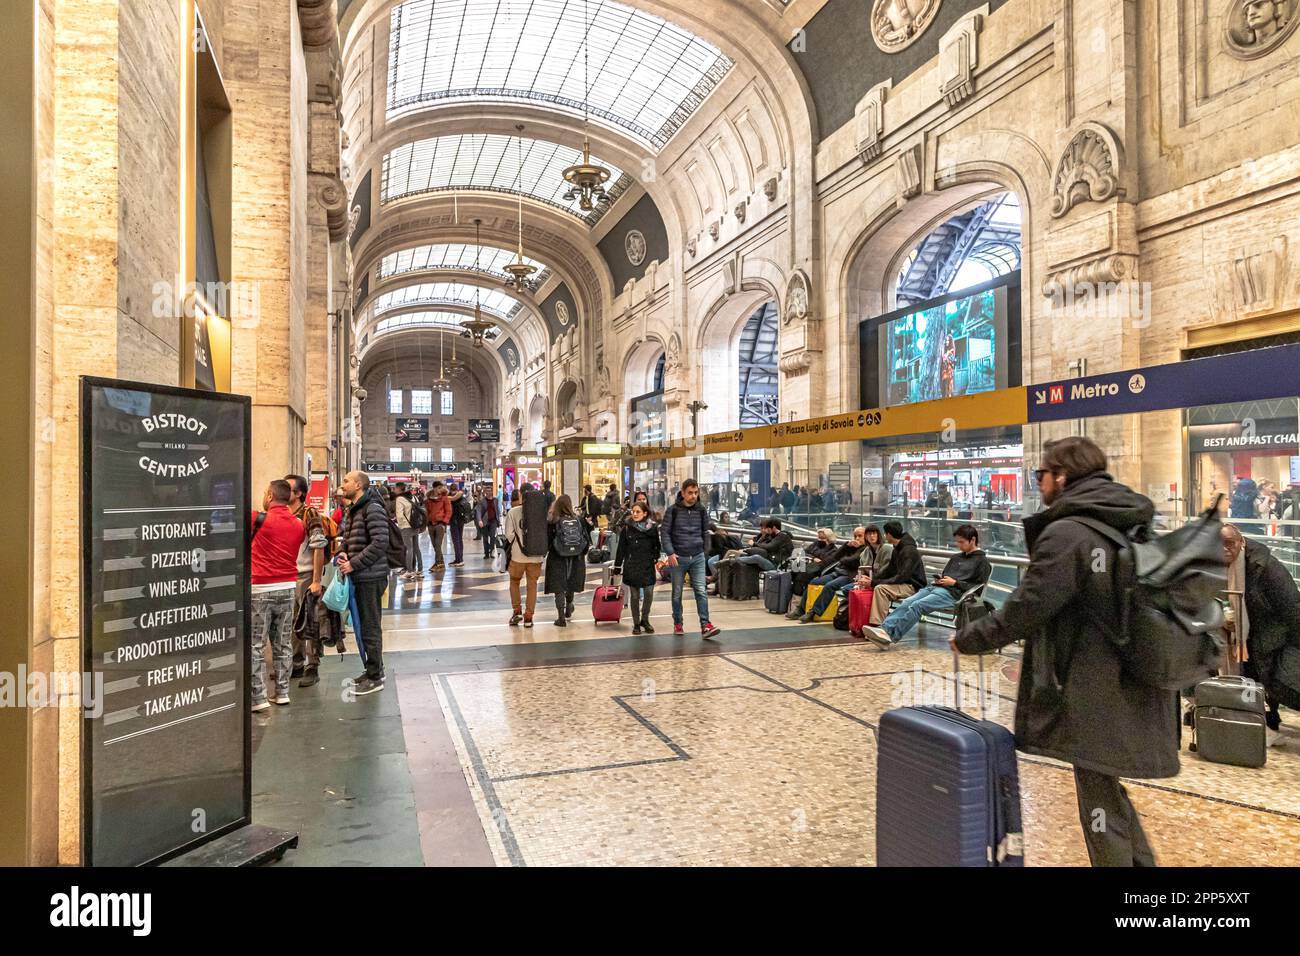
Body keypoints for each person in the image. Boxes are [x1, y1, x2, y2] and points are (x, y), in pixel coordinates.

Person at [954, 436, 1173, 866]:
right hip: (1133, 678)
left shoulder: (1071, 530)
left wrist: (971, 637)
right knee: (1104, 792)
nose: (1038, 484)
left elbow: (1030, 604)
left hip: (1094, 685)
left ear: (1063, 476)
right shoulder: (1130, 520)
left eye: (1041, 475)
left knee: (1099, 803)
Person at [1222, 523, 1299, 745]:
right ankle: (1260, 722)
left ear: (1241, 543)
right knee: (1254, 678)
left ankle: (1269, 720)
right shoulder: (1215, 564)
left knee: (1280, 681)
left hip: (1273, 633)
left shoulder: (1266, 567)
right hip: (1245, 633)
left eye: (1230, 544)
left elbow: (1292, 606)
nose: (1225, 549)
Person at [863, 524, 991, 647]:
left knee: (917, 606)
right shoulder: (956, 557)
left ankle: (890, 636)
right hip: (937, 588)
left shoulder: (982, 562)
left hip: (954, 594)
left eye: (961, 542)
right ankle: (884, 629)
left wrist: (955, 583)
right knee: (907, 602)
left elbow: (976, 589)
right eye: (957, 542)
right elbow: (947, 574)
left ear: (973, 540)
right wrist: (941, 580)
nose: (958, 545)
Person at [249, 479, 305, 711]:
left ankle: (259, 697)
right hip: (288, 588)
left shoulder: (258, 519)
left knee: (255, 645)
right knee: (283, 644)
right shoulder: (299, 524)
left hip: (260, 589)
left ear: (270, 496)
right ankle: (282, 692)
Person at [337, 470, 390, 696]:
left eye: (346, 481)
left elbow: (380, 542)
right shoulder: (354, 509)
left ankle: (375, 676)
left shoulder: (372, 508)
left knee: (370, 626)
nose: (343, 484)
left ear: (358, 485)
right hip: (361, 574)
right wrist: (343, 553)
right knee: (364, 626)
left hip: (371, 576)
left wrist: (354, 563)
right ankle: (372, 668)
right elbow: (349, 539)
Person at [660, 478, 721, 639]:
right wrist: (670, 553)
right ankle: (678, 622)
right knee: (677, 593)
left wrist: (704, 551)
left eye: (695, 493)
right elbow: (664, 533)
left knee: (701, 591)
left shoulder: (701, 510)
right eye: (690, 493)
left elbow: (705, 532)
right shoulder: (672, 511)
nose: (693, 496)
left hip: (698, 557)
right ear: (683, 493)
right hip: (678, 558)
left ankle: (705, 624)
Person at [285, 474, 329, 688]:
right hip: (286, 575)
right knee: (293, 622)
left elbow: (319, 545)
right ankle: (296, 662)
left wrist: (316, 580)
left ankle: (313, 665)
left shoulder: (308, 513)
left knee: (310, 622)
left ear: (299, 493)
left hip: (305, 575)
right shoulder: (281, 513)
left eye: (288, 489)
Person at [799, 526, 868, 622]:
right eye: (855, 536)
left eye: (860, 536)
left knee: (829, 586)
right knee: (814, 581)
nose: (857, 538)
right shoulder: (851, 546)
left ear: (866, 536)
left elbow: (853, 560)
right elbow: (837, 556)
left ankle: (813, 613)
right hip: (838, 572)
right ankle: (801, 609)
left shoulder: (866, 549)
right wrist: (846, 545)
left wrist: (843, 560)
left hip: (850, 576)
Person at [614, 501, 662, 635]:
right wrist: (618, 566)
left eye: (638, 512)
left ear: (645, 513)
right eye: (633, 511)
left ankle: (645, 619)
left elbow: (657, 545)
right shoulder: (627, 528)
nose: (634, 514)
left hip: (647, 565)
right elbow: (621, 548)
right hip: (632, 564)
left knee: (649, 593)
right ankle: (636, 623)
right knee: (634, 596)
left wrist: (655, 556)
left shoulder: (652, 528)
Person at [868, 520, 926, 625]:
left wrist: (876, 583)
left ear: (889, 534)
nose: (885, 536)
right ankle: (877, 622)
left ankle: (877, 624)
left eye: (885, 534)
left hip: (912, 586)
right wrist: (873, 580)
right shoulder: (898, 548)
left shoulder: (908, 550)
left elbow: (902, 576)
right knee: (877, 586)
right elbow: (890, 570)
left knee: (880, 589)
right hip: (903, 583)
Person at [544, 494, 589, 627]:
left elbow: (548, 540)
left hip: (557, 557)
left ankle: (561, 617)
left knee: (559, 586)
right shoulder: (579, 520)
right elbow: (586, 540)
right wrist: (581, 553)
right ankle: (569, 606)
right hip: (576, 557)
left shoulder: (553, 521)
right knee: (571, 582)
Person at [503, 489, 542, 627]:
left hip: (518, 556)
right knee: (532, 586)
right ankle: (529, 617)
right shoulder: (540, 512)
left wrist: (518, 544)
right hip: (536, 557)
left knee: (514, 582)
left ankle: (517, 611)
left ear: (522, 497)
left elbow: (509, 534)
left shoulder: (513, 512)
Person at [785, 527, 839, 618]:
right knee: (795, 572)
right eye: (819, 537)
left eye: (822, 538)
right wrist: (813, 558)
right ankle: (794, 604)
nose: (819, 540)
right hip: (810, 565)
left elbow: (826, 562)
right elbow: (804, 552)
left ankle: (797, 606)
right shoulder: (815, 544)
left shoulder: (834, 550)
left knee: (802, 576)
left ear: (829, 539)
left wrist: (815, 559)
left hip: (821, 569)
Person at [728, 517, 794, 573]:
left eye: (768, 529)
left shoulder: (782, 536)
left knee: (756, 558)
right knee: (752, 557)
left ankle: (733, 560)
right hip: (771, 561)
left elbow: (769, 547)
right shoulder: (775, 537)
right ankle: (731, 561)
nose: (768, 532)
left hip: (777, 566)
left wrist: (754, 544)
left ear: (773, 528)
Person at [393, 482, 421, 580]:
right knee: (415, 547)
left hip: (406, 526)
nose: (394, 490)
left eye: (395, 488)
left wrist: (400, 526)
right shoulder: (412, 497)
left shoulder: (400, 499)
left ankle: (409, 571)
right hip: (415, 525)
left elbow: (400, 515)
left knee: (408, 548)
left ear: (399, 489)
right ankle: (418, 570)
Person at [425, 480, 451, 569]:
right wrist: (427, 521)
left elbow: (448, 511)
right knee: (434, 545)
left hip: (440, 524)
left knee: (438, 544)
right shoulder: (429, 499)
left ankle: (438, 563)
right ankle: (441, 562)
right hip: (431, 524)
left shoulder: (445, 498)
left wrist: (444, 521)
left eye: (441, 487)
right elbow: (427, 511)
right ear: (434, 488)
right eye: (438, 488)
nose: (440, 489)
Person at [447, 481, 469, 567]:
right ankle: (459, 559)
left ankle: (459, 560)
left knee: (456, 540)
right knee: (459, 540)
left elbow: (451, 499)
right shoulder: (461, 495)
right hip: (461, 520)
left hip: (454, 521)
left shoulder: (452, 497)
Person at [475, 487, 500, 561]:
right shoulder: (482, 501)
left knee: (492, 537)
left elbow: (497, 510)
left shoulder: (495, 500)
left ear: (492, 492)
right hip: (484, 522)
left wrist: (498, 520)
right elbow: (478, 511)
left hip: (493, 521)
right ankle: (486, 553)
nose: (488, 492)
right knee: (485, 538)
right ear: (485, 492)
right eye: (487, 491)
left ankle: (492, 552)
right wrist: (479, 520)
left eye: (490, 491)